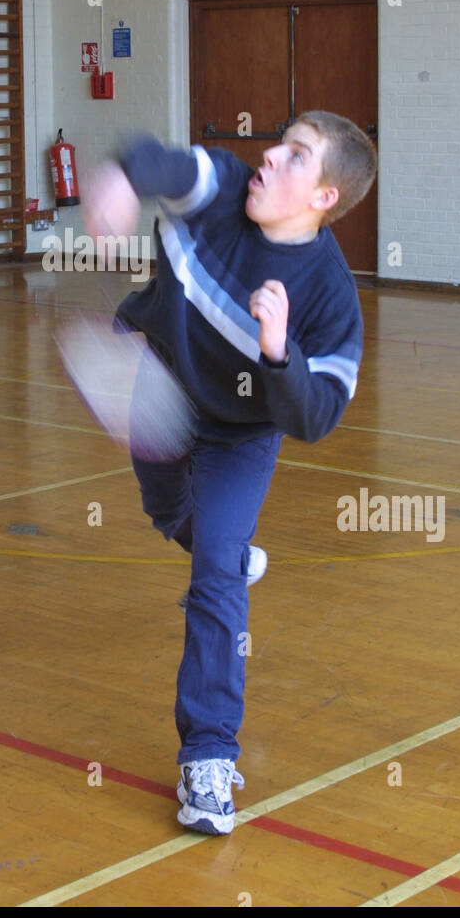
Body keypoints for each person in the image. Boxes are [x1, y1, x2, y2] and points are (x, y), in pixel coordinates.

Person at [83, 112, 377, 834]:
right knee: (171, 519)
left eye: (296, 155)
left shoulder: (331, 300)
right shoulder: (220, 188)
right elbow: (153, 155)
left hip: (240, 435)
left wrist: (280, 355)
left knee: (213, 573)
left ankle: (208, 757)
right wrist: (121, 180)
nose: (271, 156)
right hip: (156, 385)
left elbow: (318, 416)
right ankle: (229, 551)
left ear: (325, 197)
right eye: (279, 141)